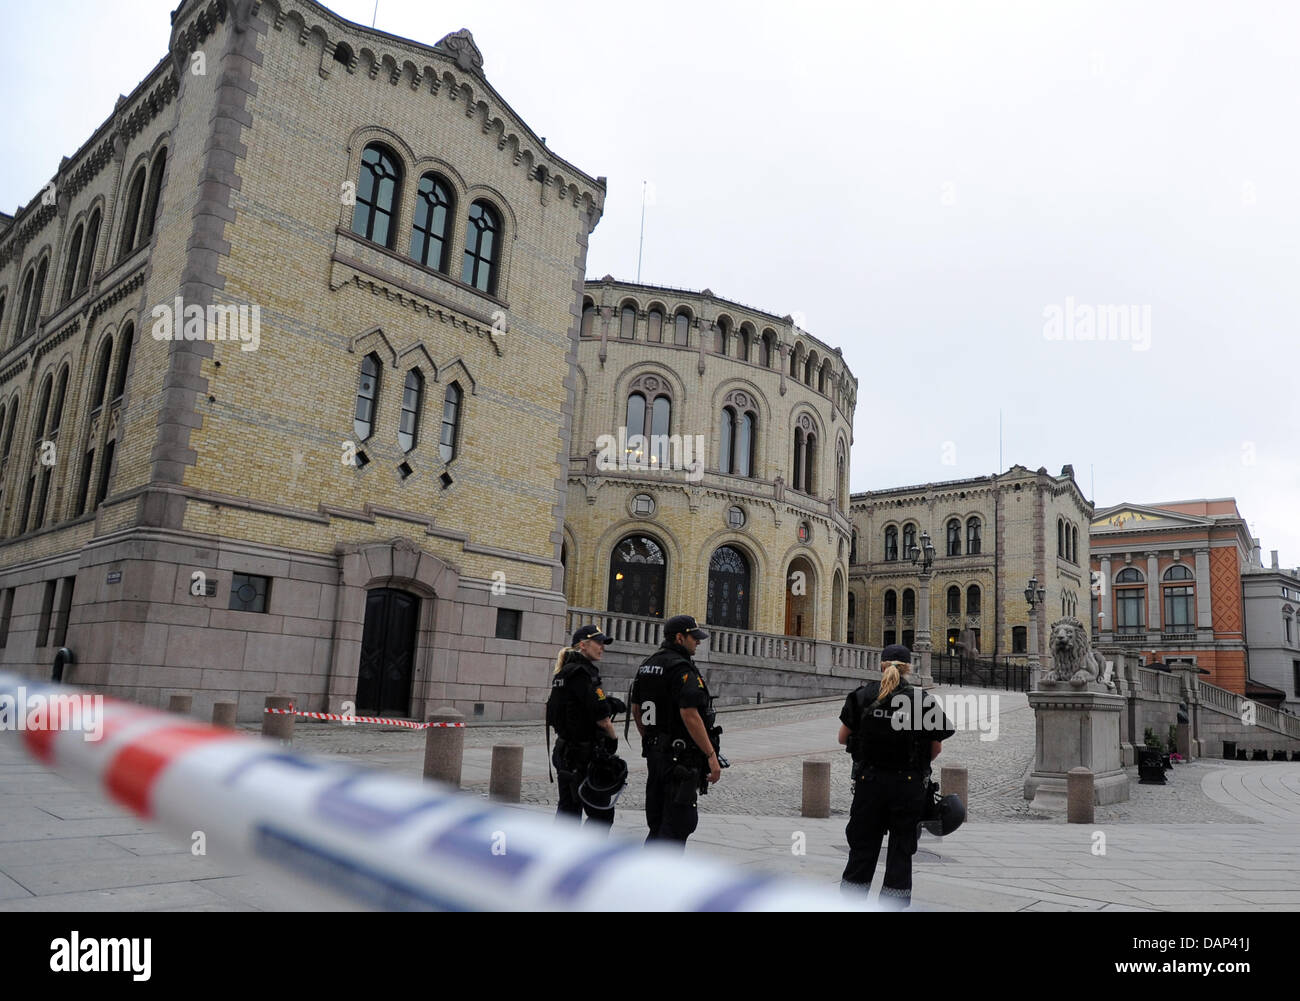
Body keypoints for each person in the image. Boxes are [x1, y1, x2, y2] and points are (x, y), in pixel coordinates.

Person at [838, 644, 954, 909]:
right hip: (908, 786)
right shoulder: (921, 700)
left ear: (881, 666)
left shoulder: (862, 695)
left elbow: (842, 738)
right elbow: (936, 748)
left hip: (869, 783)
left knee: (862, 847)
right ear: (908, 668)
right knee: (901, 849)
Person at [629, 614, 721, 847]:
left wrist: (651, 738)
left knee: (657, 822)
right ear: (680, 638)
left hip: (655, 754)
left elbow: (636, 709)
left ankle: (648, 875)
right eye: (694, 638)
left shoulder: (648, 665)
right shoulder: (681, 669)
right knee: (678, 825)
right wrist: (711, 755)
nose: (698, 642)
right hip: (679, 760)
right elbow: (690, 714)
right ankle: (661, 880)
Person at [546, 624, 620, 828]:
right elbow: (602, 719)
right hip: (585, 754)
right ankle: (588, 857)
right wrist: (613, 740)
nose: (602, 647)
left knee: (568, 812)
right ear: (583, 645)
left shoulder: (563, 672)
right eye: (599, 642)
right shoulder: (585, 673)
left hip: (564, 751)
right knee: (601, 815)